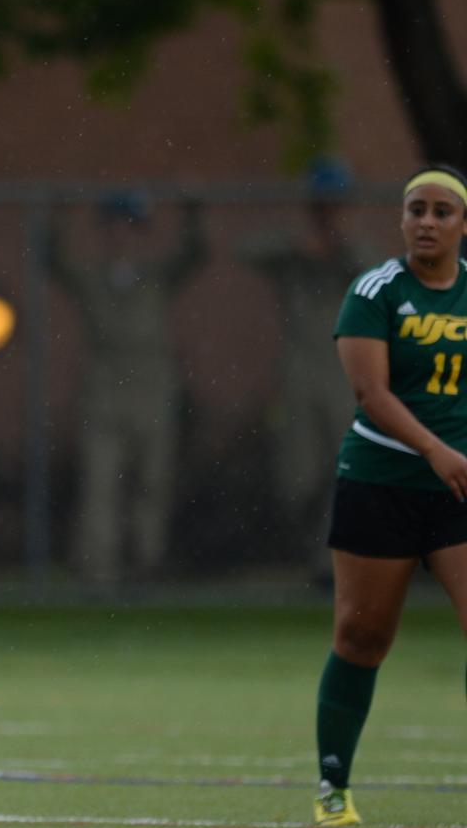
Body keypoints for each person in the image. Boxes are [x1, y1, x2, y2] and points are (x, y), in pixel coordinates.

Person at [315, 163, 467, 828]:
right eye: (415, 210)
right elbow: (370, 395)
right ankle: (333, 787)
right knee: (362, 635)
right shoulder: (376, 291)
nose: (426, 222)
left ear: (463, 224)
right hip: (382, 483)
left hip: (458, 489)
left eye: (441, 211)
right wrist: (435, 450)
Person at [46, 192, 207, 588]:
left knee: (152, 479)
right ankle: (98, 571)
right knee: (100, 481)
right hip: (104, 387)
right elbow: (52, 262)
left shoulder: (155, 274)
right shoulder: (90, 277)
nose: (122, 234)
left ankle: (145, 564)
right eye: (114, 225)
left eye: (130, 226)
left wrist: (193, 210)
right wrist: (57, 217)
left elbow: (196, 254)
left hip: (152, 386)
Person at [238, 160, 369, 581]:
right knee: (298, 473)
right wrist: (300, 245)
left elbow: (381, 273)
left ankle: (325, 562)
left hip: (343, 370)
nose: (328, 212)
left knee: (343, 465)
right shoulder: (292, 251)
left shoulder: (355, 252)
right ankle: (307, 536)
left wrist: (340, 247)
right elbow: (246, 250)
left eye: (335, 205)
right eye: (321, 204)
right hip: (298, 368)